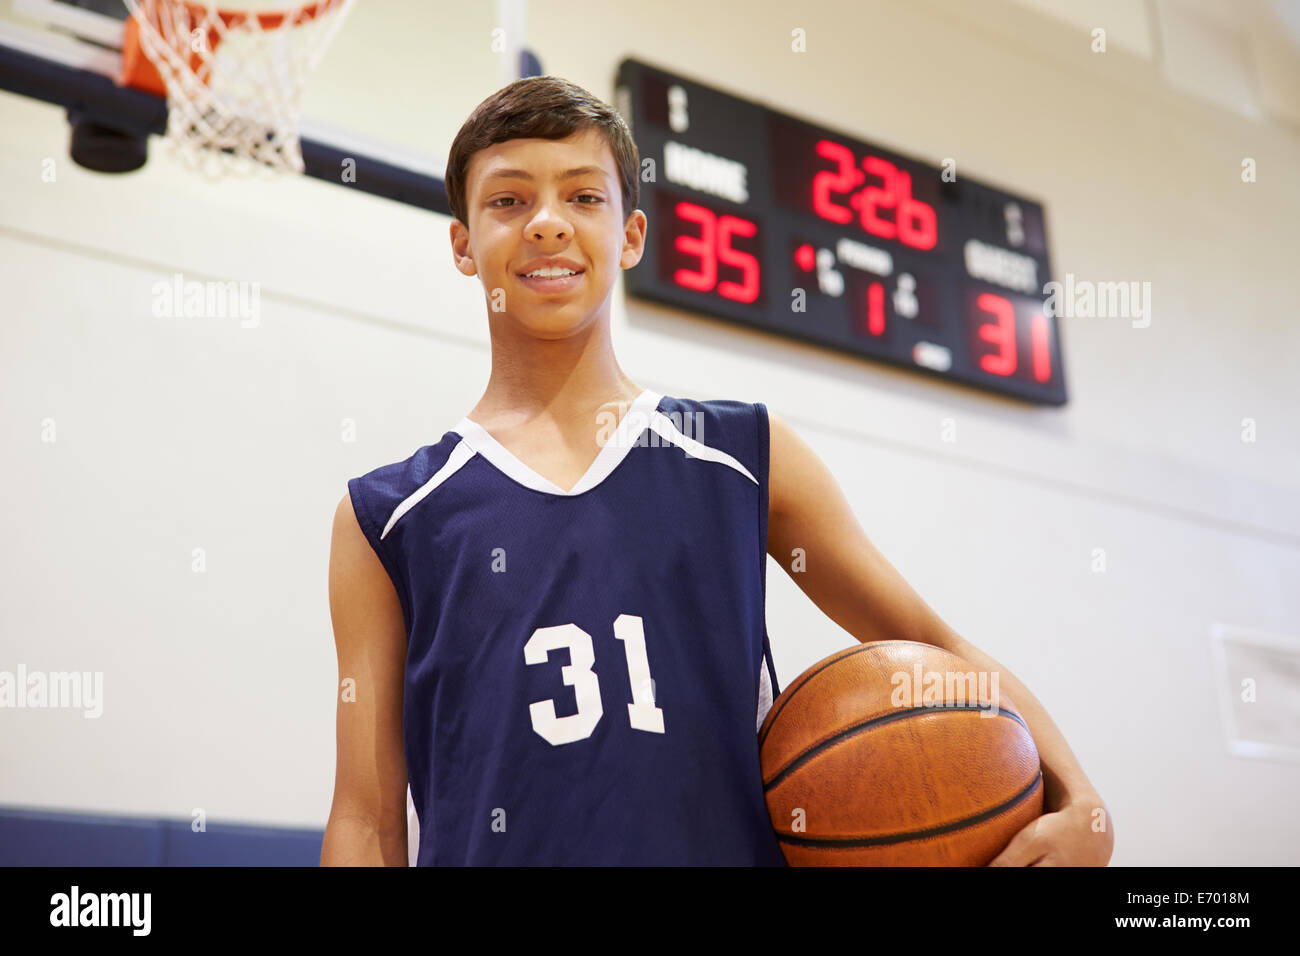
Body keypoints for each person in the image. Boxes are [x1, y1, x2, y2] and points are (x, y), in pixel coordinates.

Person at [320, 75, 1113, 867]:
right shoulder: (387, 518)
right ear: (463, 244)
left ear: (631, 236)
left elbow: (931, 645)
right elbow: (366, 819)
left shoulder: (742, 454)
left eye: (584, 197)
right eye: (508, 200)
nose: (548, 223)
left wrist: (1079, 800)